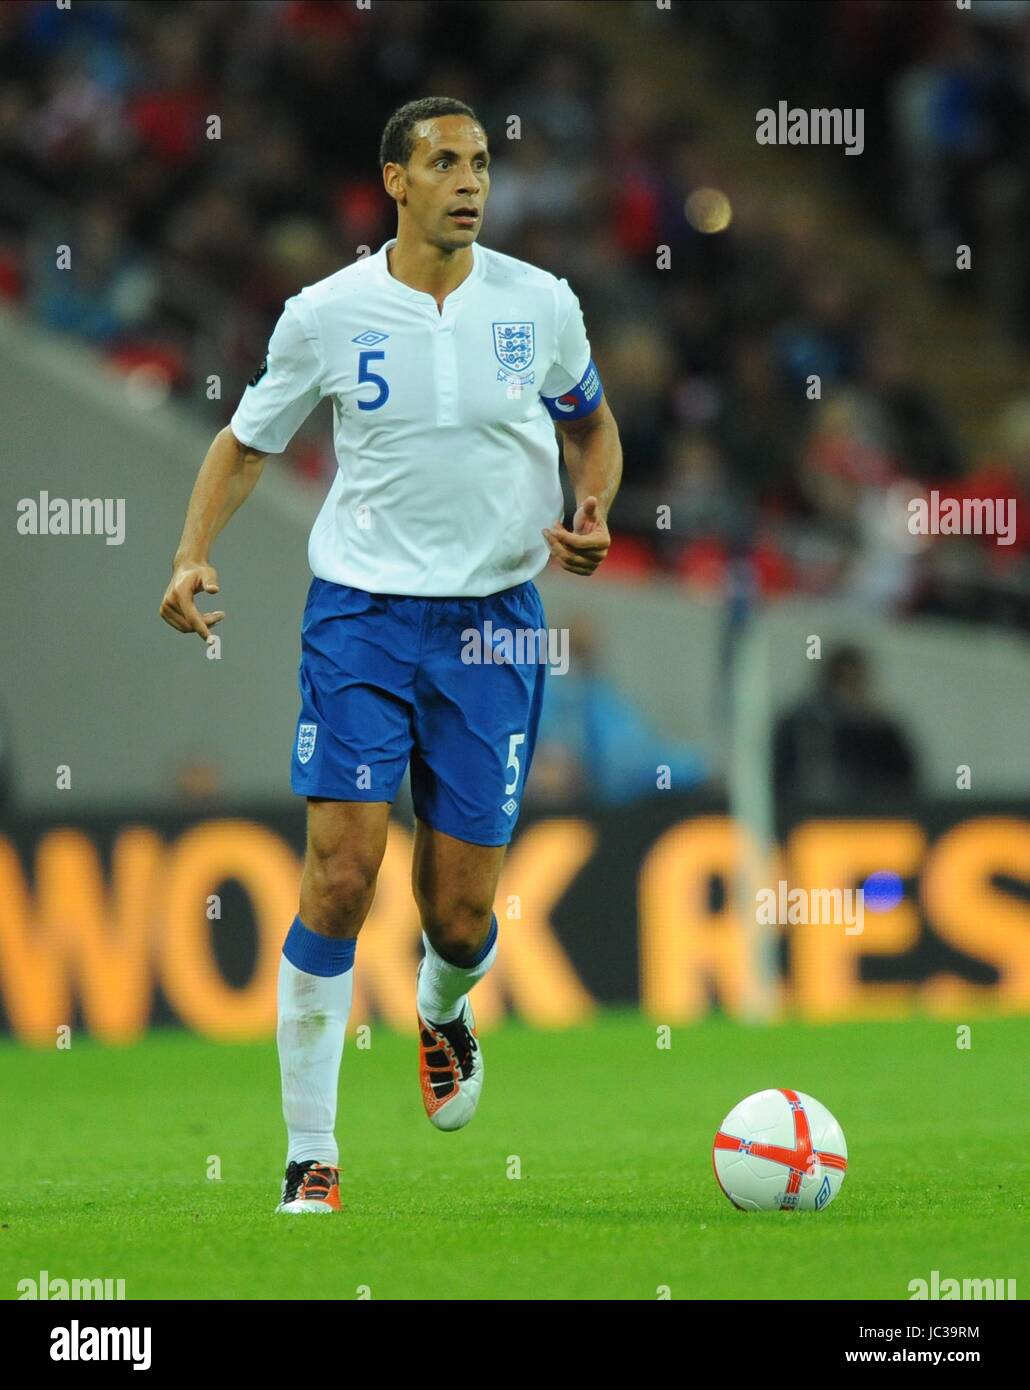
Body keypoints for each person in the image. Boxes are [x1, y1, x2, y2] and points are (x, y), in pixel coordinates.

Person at [159, 97, 622, 1214]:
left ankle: (444, 1008)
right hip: (361, 615)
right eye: (444, 163)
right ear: (394, 183)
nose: (470, 181)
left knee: (462, 916)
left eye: (481, 163)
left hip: (495, 623)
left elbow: (589, 427)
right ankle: (310, 1154)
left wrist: (595, 507)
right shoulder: (326, 314)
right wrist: (188, 555)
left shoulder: (540, 304)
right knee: (341, 874)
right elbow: (245, 440)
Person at [773, 644, 918, 807]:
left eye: (854, 683)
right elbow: (779, 777)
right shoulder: (800, 727)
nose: (847, 695)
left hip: (865, 817)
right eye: (843, 683)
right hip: (806, 814)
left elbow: (905, 781)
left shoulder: (880, 730)